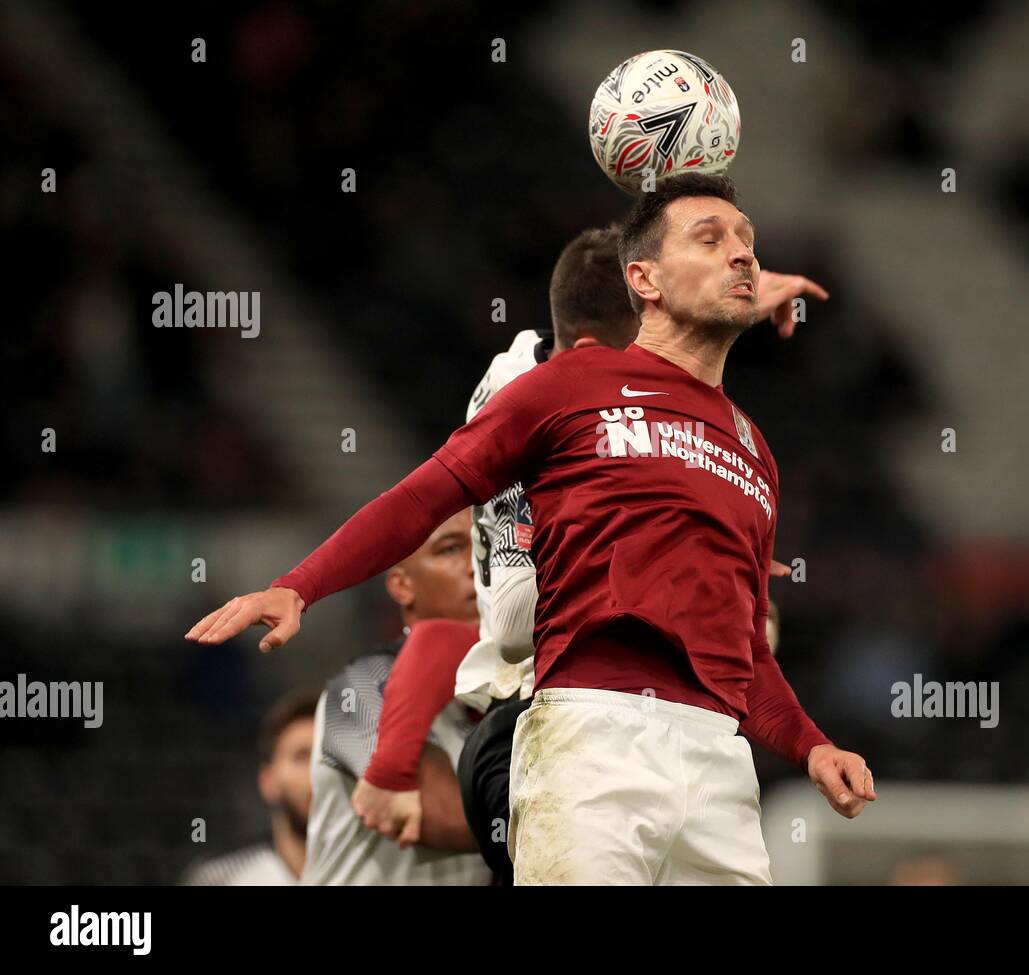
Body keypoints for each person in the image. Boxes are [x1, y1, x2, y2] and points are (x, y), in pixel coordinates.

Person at [187, 174, 871, 885]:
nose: (742, 255)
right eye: (711, 238)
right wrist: (301, 585)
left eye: (747, 242)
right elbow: (422, 497)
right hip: (591, 736)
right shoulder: (562, 382)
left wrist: (811, 746)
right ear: (644, 279)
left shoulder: (752, 448)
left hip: (720, 764)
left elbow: (746, 651)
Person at [302, 510, 491, 884]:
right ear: (402, 586)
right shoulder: (362, 686)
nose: (477, 565)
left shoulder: (507, 685)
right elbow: (443, 816)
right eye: (451, 549)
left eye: (486, 546)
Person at [180, 687, 318, 885]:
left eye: (328, 759)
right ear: (268, 781)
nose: (318, 772)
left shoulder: (374, 874)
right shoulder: (218, 879)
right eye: (302, 757)